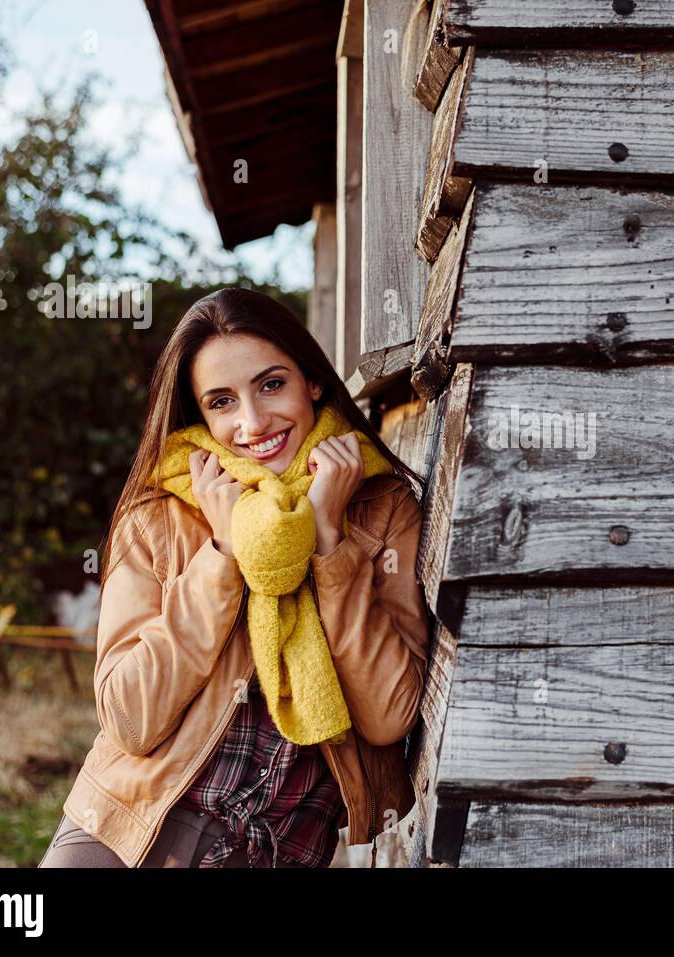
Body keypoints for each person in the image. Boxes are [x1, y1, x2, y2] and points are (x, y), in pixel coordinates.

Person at [38, 287, 430, 867]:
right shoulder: (159, 515)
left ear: (312, 382)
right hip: (136, 832)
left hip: (280, 848)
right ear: (200, 414)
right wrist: (223, 553)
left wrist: (329, 540)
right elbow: (128, 718)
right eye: (222, 402)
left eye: (272, 384)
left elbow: (389, 715)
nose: (253, 422)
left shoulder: (382, 507)